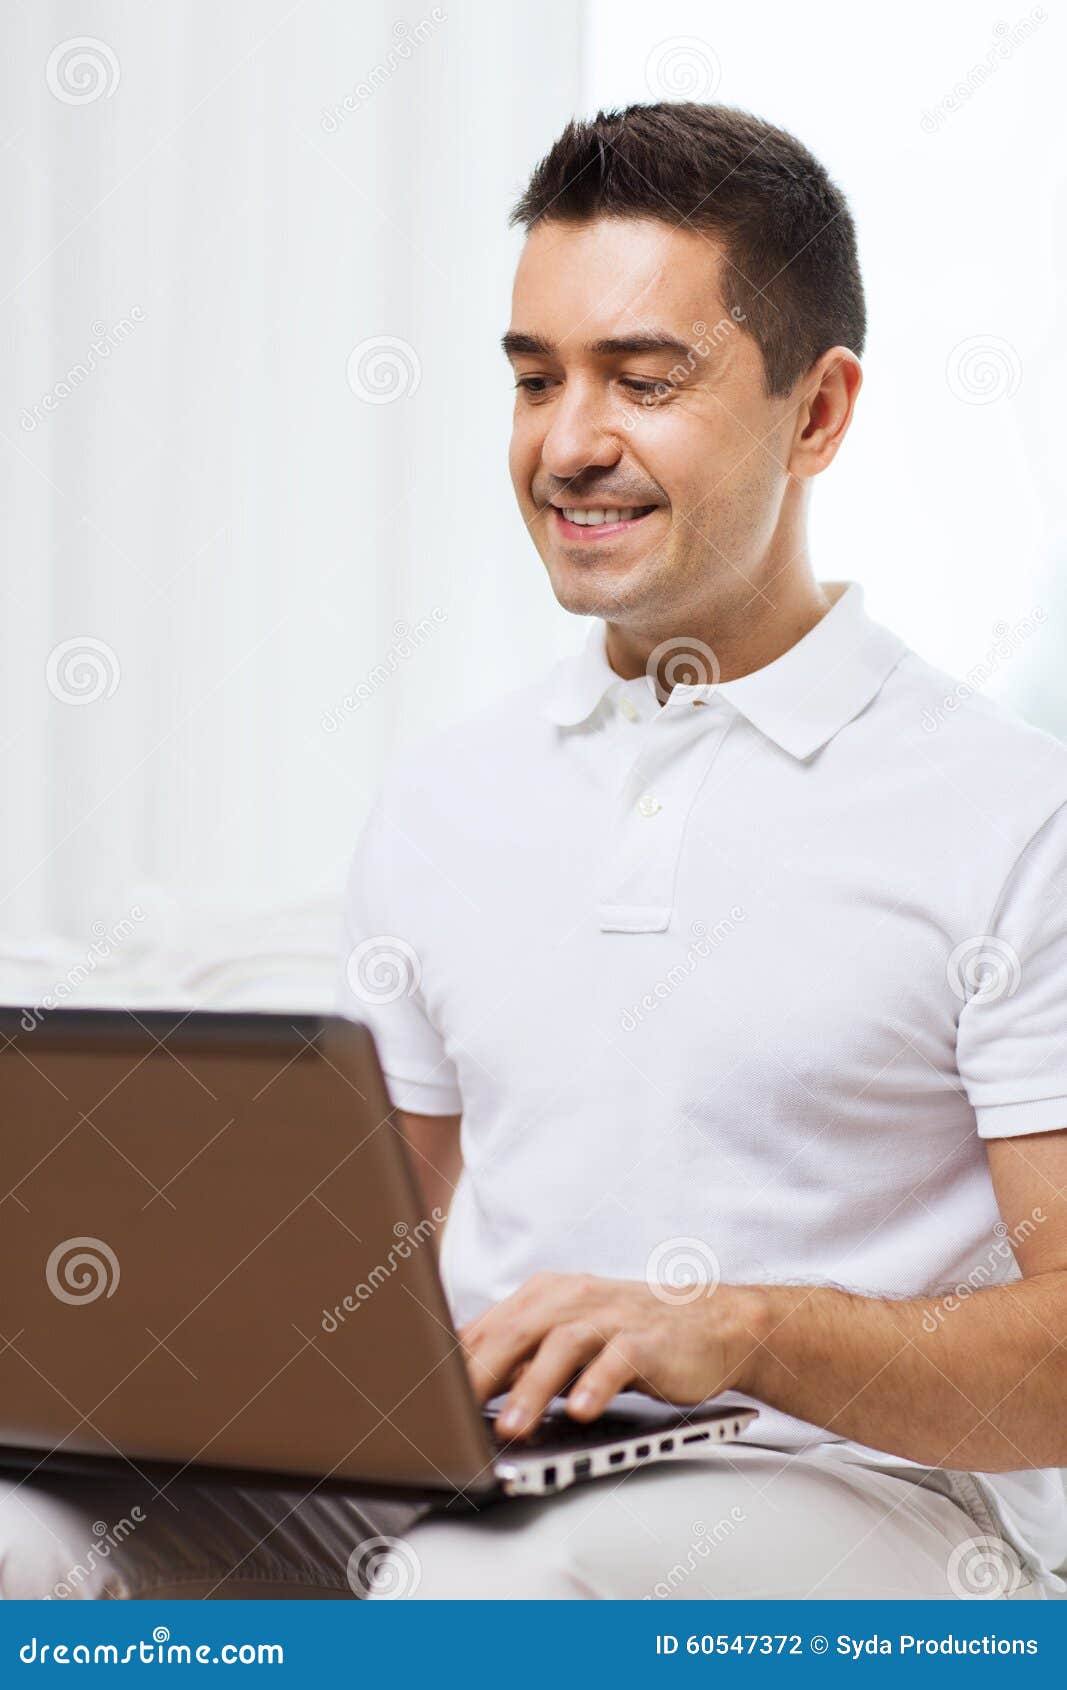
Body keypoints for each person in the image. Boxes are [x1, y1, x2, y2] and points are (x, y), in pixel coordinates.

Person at [3, 102, 1065, 1602]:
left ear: (817, 412)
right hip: (482, 1470)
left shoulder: (1013, 812)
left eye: (644, 380)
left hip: (865, 1494)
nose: (569, 444)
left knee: (478, 1597)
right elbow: (361, 1262)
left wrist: (739, 1328)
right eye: (533, 379)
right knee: (23, 1545)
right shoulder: (449, 797)